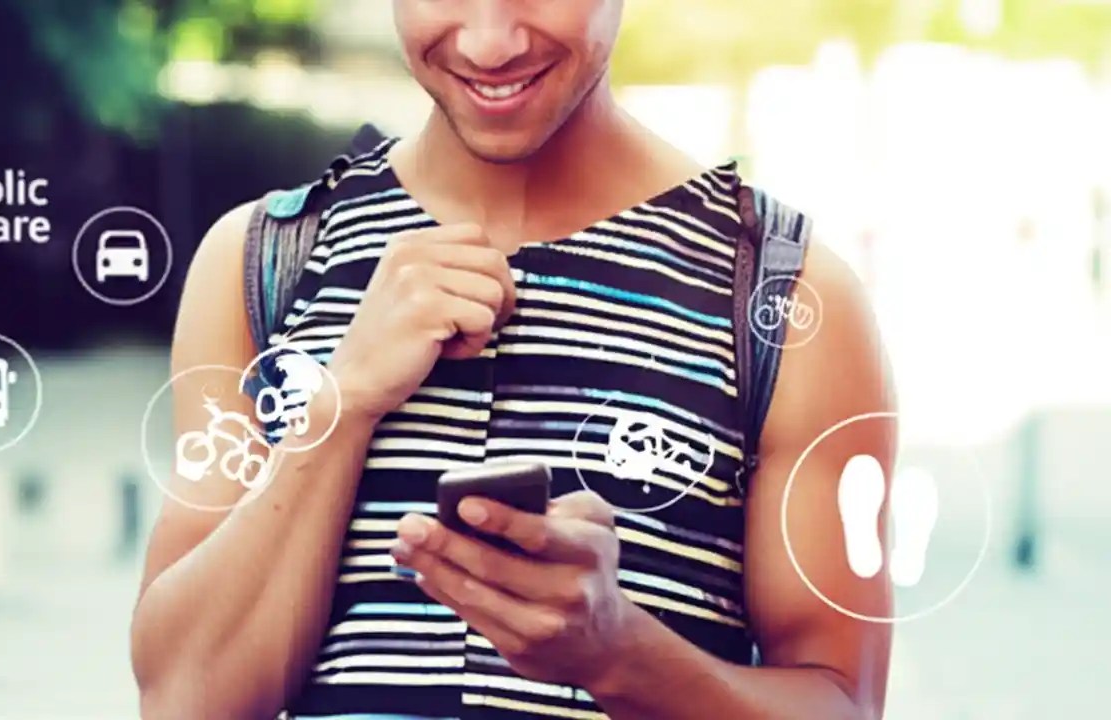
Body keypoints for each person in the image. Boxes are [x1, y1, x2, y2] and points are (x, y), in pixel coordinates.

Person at [131, 2, 896, 718]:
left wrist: (623, 655)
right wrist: (342, 405)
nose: (488, 44)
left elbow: (841, 701)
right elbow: (182, 697)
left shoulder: (786, 297)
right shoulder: (262, 262)